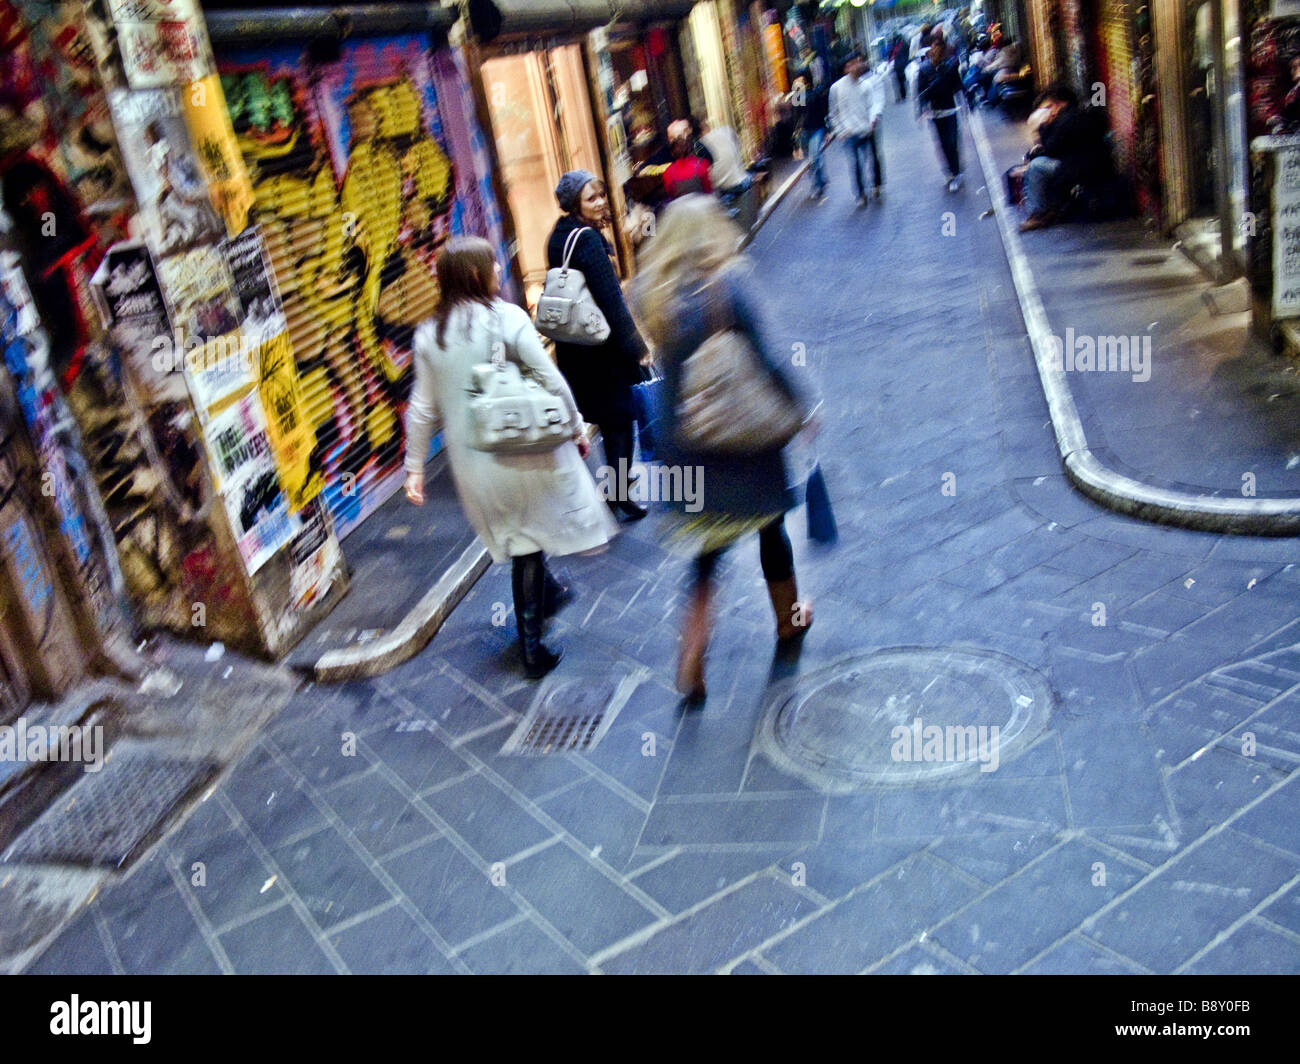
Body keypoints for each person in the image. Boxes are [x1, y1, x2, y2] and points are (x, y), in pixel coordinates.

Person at [404, 237, 617, 679]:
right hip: (515, 448)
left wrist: (415, 469)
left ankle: (550, 592)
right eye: (493, 265)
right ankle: (532, 648)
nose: (500, 270)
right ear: (478, 275)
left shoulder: (429, 335)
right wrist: (576, 426)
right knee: (526, 543)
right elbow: (550, 379)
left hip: (472, 466)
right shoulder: (506, 318)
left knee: (522, 535)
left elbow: (421, 410)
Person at [633, 195, 815, 708]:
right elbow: (766, 354)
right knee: (770, 528)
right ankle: (788, 620)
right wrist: (800, 407)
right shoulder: (729, 283)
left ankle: (691, 660)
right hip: (743, 438)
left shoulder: (651, 294)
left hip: (685, 442)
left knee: (708, 556)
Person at [544, 172, 651, 521]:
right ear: (575, 203)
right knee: (620, 419)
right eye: (592, 198)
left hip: (574, 347)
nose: (602, 202)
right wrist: (638, 346)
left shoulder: (557, 236)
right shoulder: (589, 240)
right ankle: (619, 495)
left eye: (602, 195)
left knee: (608, 421)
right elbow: (611, 300)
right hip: (601, 346)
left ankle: (615, 487)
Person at [1018, 84, 1117, 231]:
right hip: (1081, 164)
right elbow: (1058, 147)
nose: (1048, 112)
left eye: (1049, 107)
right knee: (1037, 162)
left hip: (1083, 168)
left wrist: (1039, 129)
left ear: (1060, 104)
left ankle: (1039, 213)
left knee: (1036, 166)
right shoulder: (1070, 117)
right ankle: (1049, 207)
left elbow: (1052, 148)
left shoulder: (1069, 119)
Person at [829, 52, 885, 206]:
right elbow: (833, 113)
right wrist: (839, 131)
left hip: (866, 130)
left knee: (872, 158)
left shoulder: (865, 86)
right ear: (846, 68)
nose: (857, 66)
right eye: (852, 63)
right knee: (855, 164)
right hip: (849, 134)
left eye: (858, 62)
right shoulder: (836, 88)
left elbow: (872, 104)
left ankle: (875, 185)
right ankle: (860, 194)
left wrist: (873, 118)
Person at [916, 29, 964, 191]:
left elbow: (957, 85)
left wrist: (966, 102)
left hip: (950, 110)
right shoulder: (924, 69)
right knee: (943, 144)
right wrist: (921, 110)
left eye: (940, 50)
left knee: (951, 142)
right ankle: (951, 173)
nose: (937, 52)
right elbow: (920, 91)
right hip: (935, 113)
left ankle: (955, 171)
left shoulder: (950, 66)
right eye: (934, 49)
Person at [663, 119, 713, 199]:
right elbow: (708, 189)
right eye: (670, 138)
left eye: (672, 137)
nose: (670, 140)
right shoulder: (702, 163)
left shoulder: (669, 172)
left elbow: (671, 194)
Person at [801, 73, 831, 200]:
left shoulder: (815, 93)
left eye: (799, 80)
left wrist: (827, 130)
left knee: (814, 156)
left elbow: (823, 111)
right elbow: (796, 115)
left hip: (817, 129)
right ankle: (821, 180)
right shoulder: (798, 96)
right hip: (804, 132)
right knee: (813, 159)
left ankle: (817, 185)